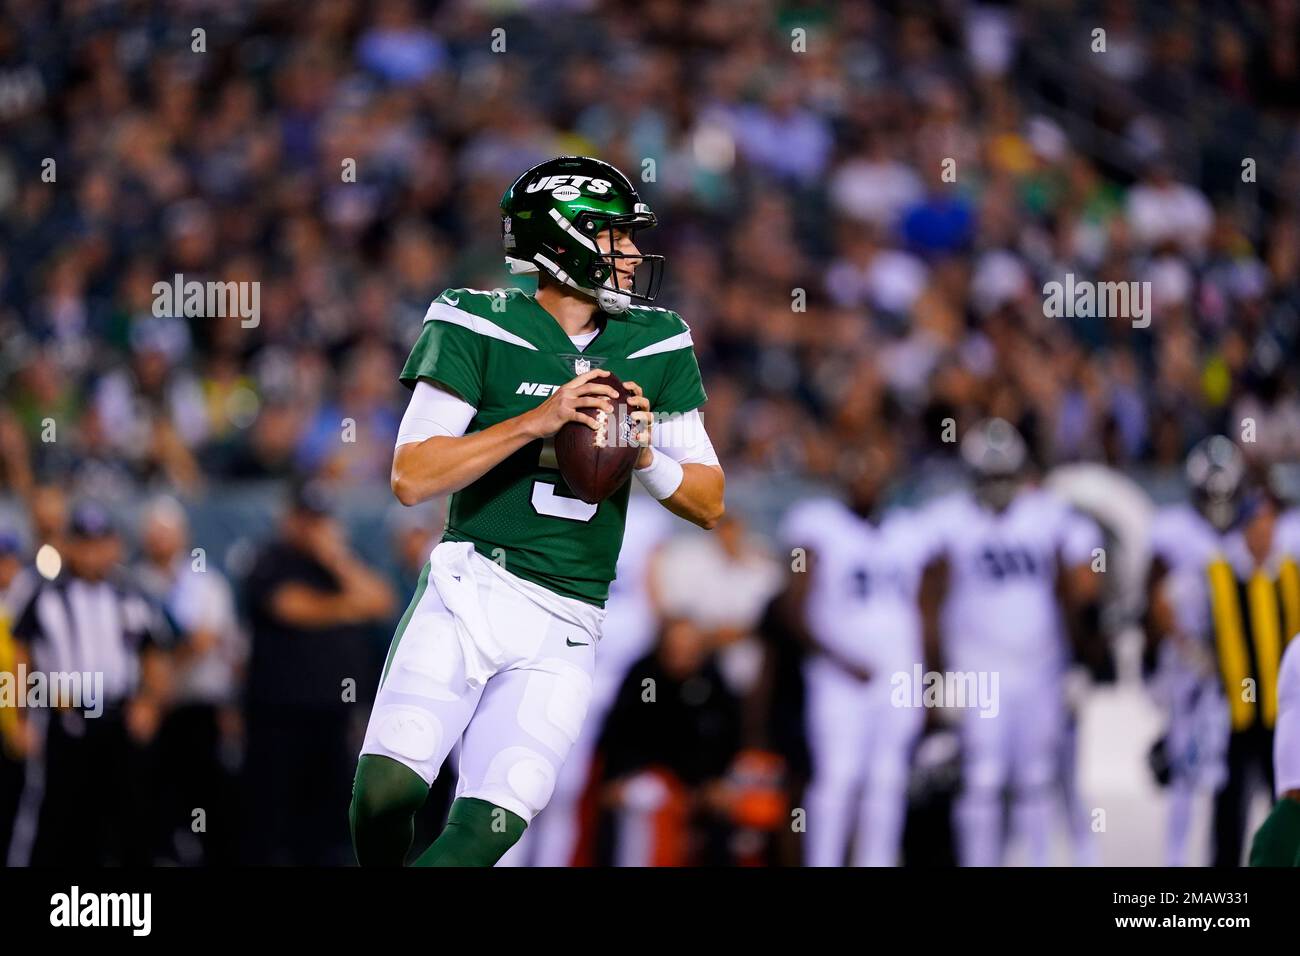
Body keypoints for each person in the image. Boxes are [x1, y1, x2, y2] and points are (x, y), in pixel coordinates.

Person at [349, 155, 725, 867]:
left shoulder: (656, 340)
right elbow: (411, 476)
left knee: (492, 823)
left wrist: (647, 458)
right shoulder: (475, 319)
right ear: (563, 240)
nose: (634, 254)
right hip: (471, 586)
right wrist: (536, 420)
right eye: (616, 238)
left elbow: (710, 501)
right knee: (385, 795)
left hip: (568, 615)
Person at [919, 418, 1101, 867]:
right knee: (982, 780)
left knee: (1036, 780)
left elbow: (1078, 587)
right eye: (990, 476)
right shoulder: (949, 521)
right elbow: (928, 597)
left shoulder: (1047, 516)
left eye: (1005, 475)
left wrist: (1082, 659)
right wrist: (936, 677)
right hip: (977, 668)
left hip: (1040, 667)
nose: (999, 486)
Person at [780, 438, 931, 867]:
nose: (866, 480)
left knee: (887, 781)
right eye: (858, 471)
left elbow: (927, 610)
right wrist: (840, 658)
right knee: (837, 779)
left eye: (874, 471)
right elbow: (793, 607)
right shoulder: (817, 526)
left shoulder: (909, 532)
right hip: (836, 677)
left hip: (899, 675)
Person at [7, 502, 174, 866]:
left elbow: (155, 655)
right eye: (83, 543)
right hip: (65, 719)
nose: (93, 553)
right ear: (69, 546)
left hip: (119, 718)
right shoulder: (43, 594)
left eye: (100, 543)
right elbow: (18, 659)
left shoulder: (132, 595)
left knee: (127, 819)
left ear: (115, 545)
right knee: (57, 820)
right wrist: (18, 716)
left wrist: (150, 703)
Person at [242, 480, 395, 864]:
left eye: (320, 520)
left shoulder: (341, 561)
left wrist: (337, 559)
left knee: (328, 821)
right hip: (279, 713)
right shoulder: (269, 558)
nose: (313, 528)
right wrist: (347, 607)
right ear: (290, 520)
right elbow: (290, 607)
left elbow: (381, 601)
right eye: (306, 519)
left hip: (333, 713)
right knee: (273, 818)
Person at [1143, 435, 1242, 865]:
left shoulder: (1249, 533)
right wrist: (1185, 646)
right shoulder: (1174, 531)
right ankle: (1175, 860)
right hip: (1187, 665)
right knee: (1184, 775)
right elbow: (1156, 598)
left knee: (1228, 778)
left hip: (1236, 669)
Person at [135, 496, 246, 865]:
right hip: (153, 711)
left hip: (196, 705)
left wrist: (161, 676)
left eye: (167, 532)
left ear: (183, 535)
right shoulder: (135, 581)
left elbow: (208, 640)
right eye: (155, 533)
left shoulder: (204, 581)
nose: (160, 540)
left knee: (207, 796)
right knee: (155, 796)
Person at [1204, 490, 1300, 866]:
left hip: (1281, 709)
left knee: (1287, 798)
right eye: (1257, 526)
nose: (1264, 535)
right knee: (1230, 807)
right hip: (1236, 709)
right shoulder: (1221, 572)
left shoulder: (1288, 572)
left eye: (1269, 526)